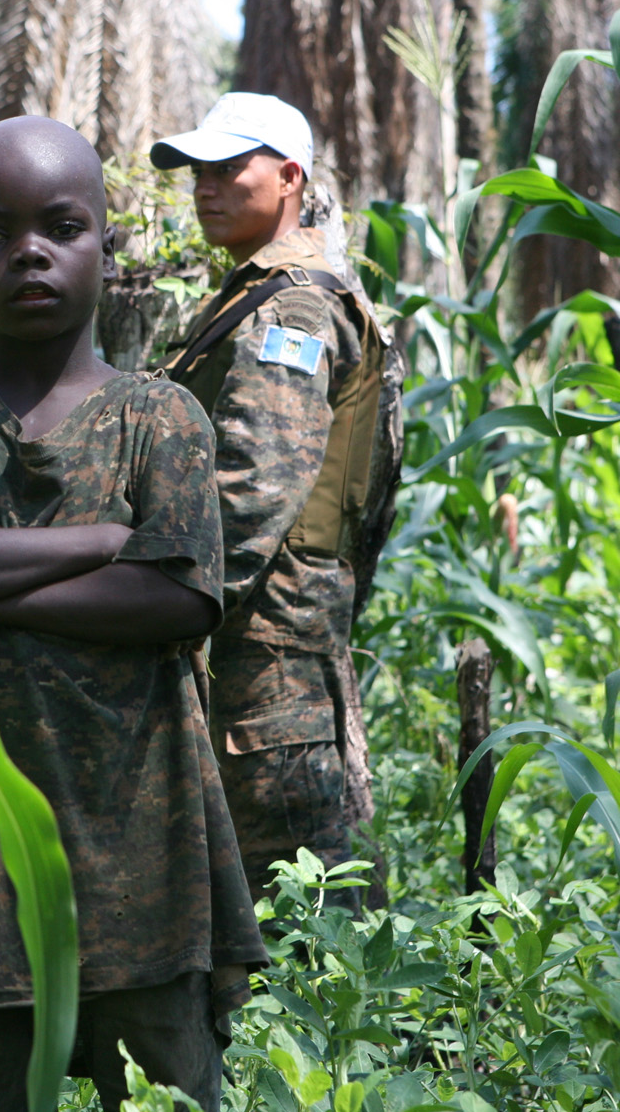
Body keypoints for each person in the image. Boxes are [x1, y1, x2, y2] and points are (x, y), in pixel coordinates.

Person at [0, 116, 267, 1112]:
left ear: (106, 243)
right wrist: (101, 542)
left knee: (161, 1089)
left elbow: (177, 598)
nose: (28, 251)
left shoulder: (160, 417)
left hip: (139, 858)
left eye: (61, 225)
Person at [148, 92, 396, 909]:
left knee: (305, 904)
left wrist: (159, 609)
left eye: (227, 169)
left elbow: (253, 489)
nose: (204, 187)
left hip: (266, 648)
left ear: (289, 176)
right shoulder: (255, 294)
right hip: (262, 639)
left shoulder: (291, 306)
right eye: (197, 173)